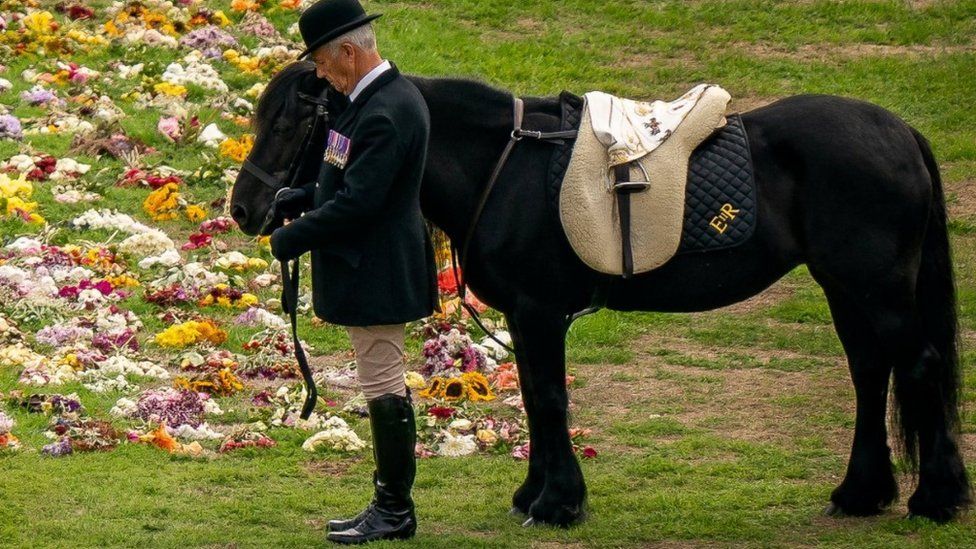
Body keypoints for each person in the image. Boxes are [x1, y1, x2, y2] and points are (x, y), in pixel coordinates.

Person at [268, 0, 437, 543]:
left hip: (379, 268)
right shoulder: (367, 102)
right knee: (377, 381)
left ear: (347, 51)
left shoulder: (387, 111)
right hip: (370, 263)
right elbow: (346, 178)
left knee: (384, 384)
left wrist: (293, 236)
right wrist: (305, 195)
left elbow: (361, 204)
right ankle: (388, 504)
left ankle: (394, 510)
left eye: (319, 62)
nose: (318, 73)